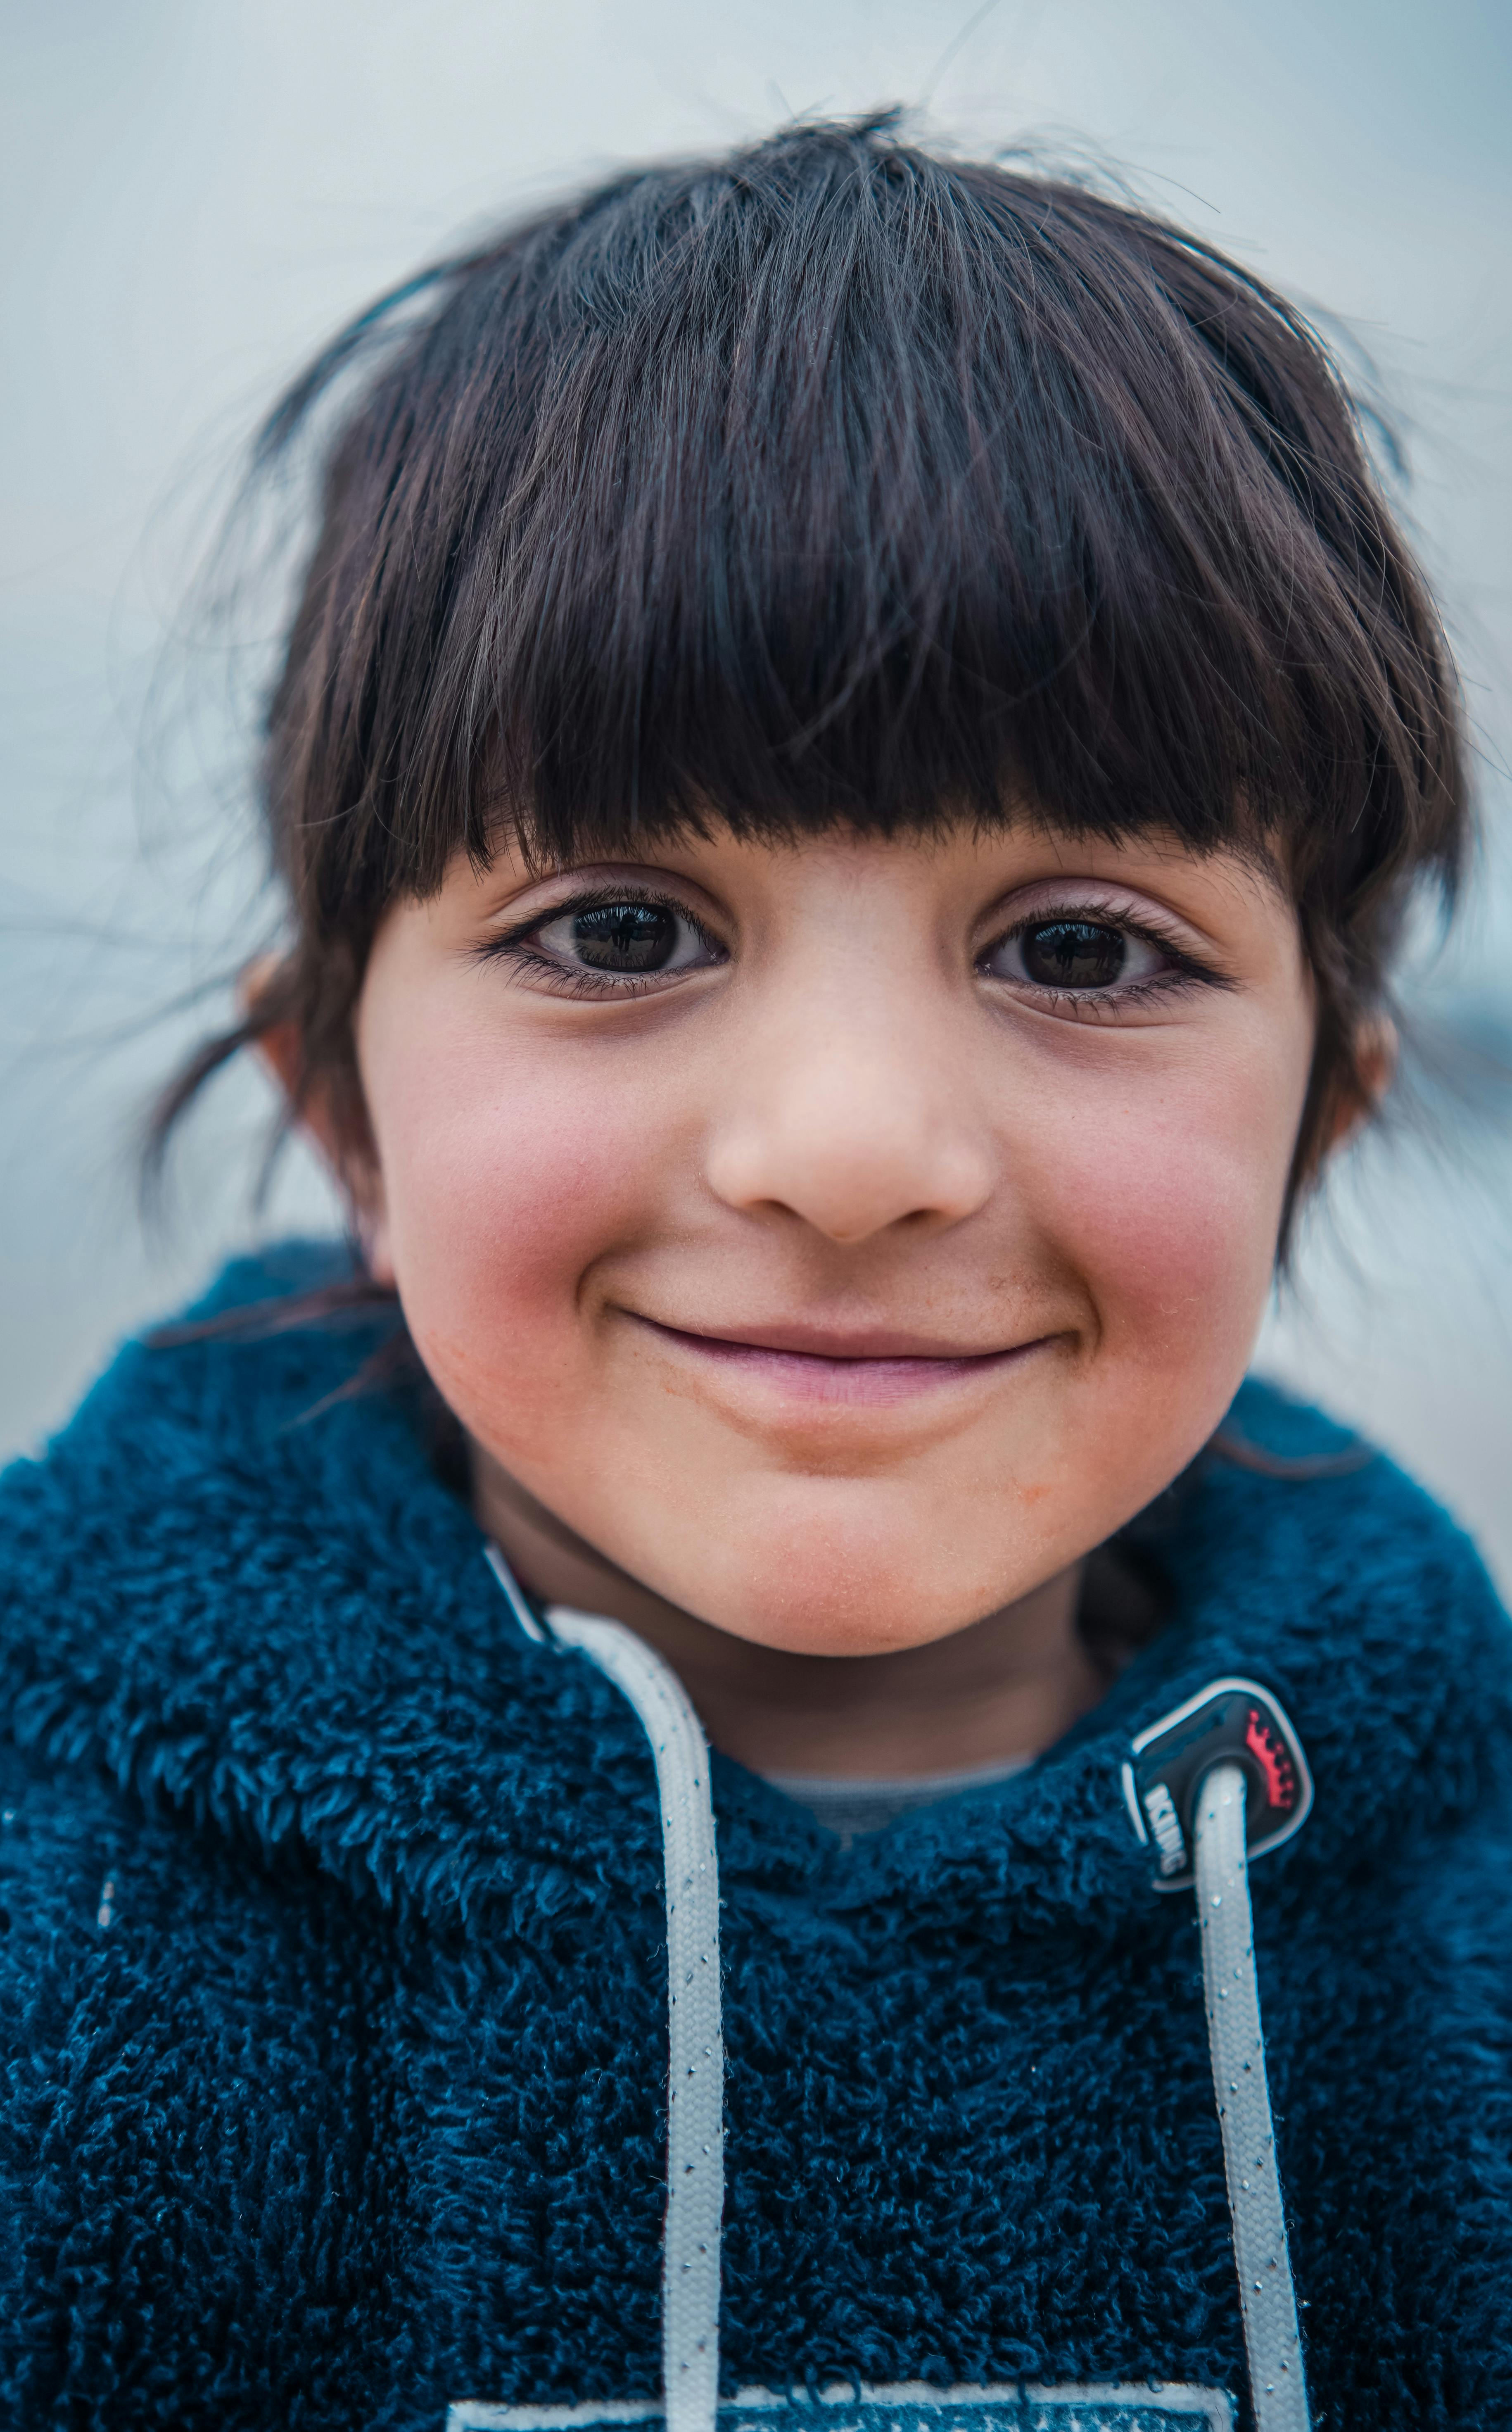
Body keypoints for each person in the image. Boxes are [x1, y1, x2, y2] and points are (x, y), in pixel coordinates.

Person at [0, 114, 1507, 2432]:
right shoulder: (57, 1933)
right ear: (344, 1116)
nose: (848, 1154)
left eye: (1082, 947)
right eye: (620, 932)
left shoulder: (1462, 1942)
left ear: (1323, 1114)